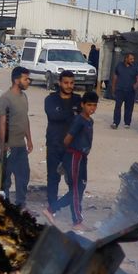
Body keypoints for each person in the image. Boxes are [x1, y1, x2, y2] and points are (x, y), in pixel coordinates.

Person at [46, 91, 98, 228]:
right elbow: (67, 139)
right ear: (82, 105)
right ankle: (77, 221)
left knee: (80, 187)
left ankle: (52, 209)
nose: (92, 108)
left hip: (82, 157)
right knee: (76, 189)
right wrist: (68, 156)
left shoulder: (90, 121)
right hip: (74, 156)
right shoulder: (79, 120)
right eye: (89, 105)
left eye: (94, 105)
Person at [0, 66, 34, 207]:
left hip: (20, 144)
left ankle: (20, 205)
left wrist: (29, 140)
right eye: (26, 79)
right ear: (16, 80)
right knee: (5, 179)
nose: (28, 81)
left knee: (23, 175)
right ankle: (4, 206)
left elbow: (25, 119)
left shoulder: (24, 97)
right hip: (7, 145)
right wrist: (4, 145)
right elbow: (2, 123)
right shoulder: (5, 99)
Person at [44, 70, 81, 211]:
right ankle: (52, 208)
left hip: (72, 147)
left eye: (72, 83)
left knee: (74, 181)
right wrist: (72, 113)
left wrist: (68, 114)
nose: (69, 86)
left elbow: (82, 119)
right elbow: (53, 115)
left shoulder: (78, 100)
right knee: (53, 178)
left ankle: (75, 211)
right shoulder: (50, 99)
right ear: (60, 83)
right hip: (54, 144)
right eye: (66, 83)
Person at [110, 51, 138, 129]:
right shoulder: (119, 66)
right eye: (131, 59)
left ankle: (127, 123)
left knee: (129, 108)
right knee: (117, 107)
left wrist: (135, 86)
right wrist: (113, 88)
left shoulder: (135, 67)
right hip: (120, 90)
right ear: (126, 59)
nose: (132, 60)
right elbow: (115, 77)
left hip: (130, 91)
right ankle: (115, 123)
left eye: (133, 59)